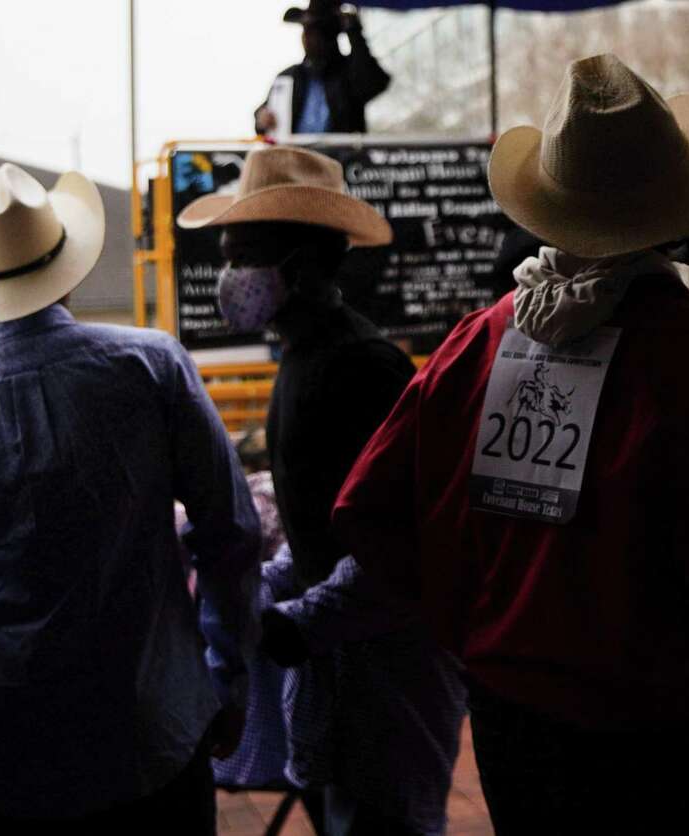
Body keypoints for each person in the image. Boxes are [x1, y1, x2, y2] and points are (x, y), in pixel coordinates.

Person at [331, 54, 689, 835]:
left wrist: (485, 624)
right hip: (656, 760)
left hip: (509, 740)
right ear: (681, 224)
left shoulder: (476, 345)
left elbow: (370, 511)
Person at [0, 163, 261, 835]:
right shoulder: (152, 367)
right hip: (156, 731)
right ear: (63, 257)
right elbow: (230, 534)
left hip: (8, 762)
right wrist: (229, 678)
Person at [178, 145, 466, 836]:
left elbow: (404, 541)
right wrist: (271, 587)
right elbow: (321, 523)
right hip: (336, 665)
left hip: (388, 673)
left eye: (242, 256)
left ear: (301, 266)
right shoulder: (304, 356)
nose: (229, 278)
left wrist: (297, 620)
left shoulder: (362, 369)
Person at [254, 0, 390, 137]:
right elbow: (265, 117)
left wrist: (354, 32)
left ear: (331, 36)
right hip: (296, 155)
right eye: (306, 30)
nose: (308, 38)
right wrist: (262, 118)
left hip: (341, 156)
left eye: (316, 31)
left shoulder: (348, 72)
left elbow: (373, 83)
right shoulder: (290, 76)